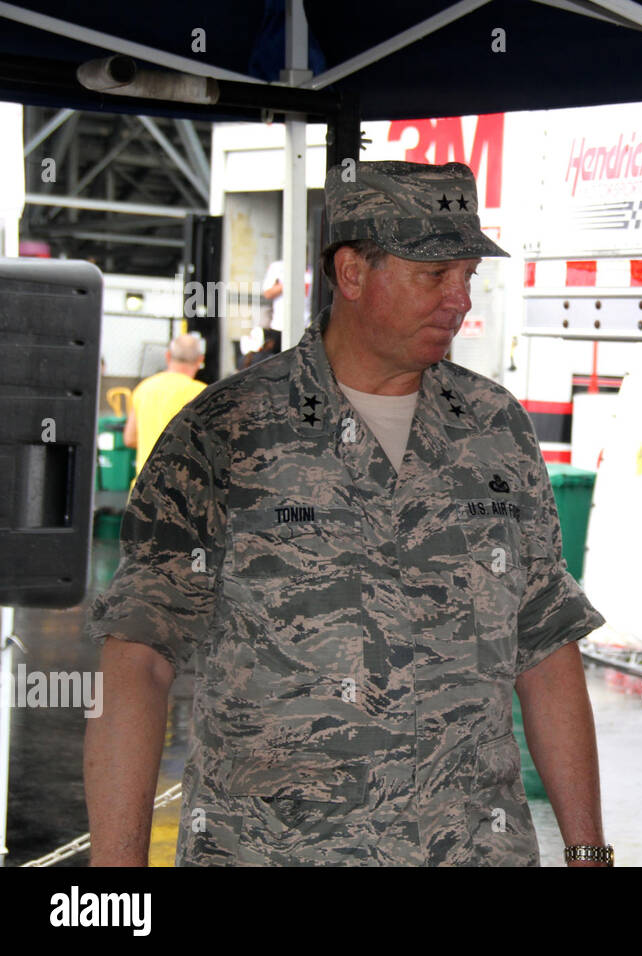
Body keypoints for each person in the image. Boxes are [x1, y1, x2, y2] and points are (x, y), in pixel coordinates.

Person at [85, 160, 612, 867]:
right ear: (353, 273)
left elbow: (545, 650)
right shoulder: (224, 435)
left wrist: (587, 854)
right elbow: (137, 662)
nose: (460, 300)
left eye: (467, 276)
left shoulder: (497, 431)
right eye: (435, 276)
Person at [122, 332, 206, 483]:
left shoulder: (144, 388)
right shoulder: (202, 393)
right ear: (200, 360)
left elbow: (129, 439)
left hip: (143, 491)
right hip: (182, 491)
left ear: (168, 356)